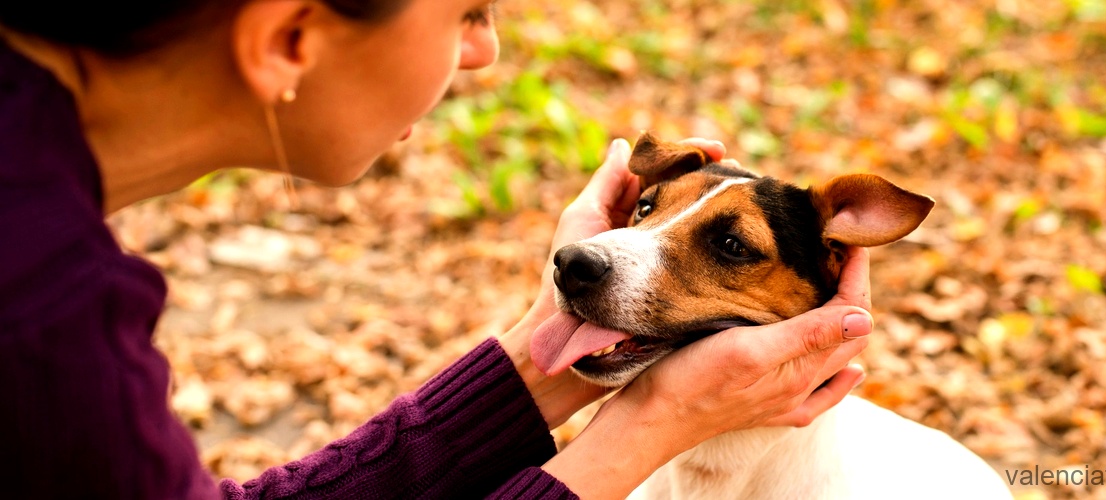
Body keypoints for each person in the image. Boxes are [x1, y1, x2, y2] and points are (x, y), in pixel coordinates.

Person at [0, 1, 874, 498]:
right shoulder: (44, 321)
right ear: (290, 37)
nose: (485, 53)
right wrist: (645, 433)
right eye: (467, 10)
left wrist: (546, 358)